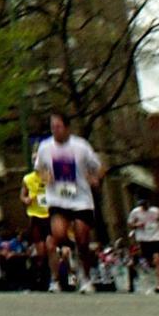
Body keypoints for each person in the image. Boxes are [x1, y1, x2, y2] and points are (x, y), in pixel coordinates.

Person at [35, 111, 105, 294]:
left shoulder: (81, 146)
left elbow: (98, 167)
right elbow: (38, 170)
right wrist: (45, 177)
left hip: (80, 199)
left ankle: (85, 278)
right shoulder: (45, 147)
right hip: (57, 198)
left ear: (67, 128)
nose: (55, 131)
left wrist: (96, 179)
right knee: (57, 234)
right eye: (52, 127)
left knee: (83, 239)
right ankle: (58, 276)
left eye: (58, 127)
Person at [20, 150, 50, 289]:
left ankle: (55, 276)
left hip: (50, 215)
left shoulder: (50, 177)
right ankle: (41, 275)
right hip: (35, 215)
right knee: (40, 248)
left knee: (51, 246)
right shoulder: (28, 178)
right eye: (33, 160)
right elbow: (23, 196)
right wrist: (27, 200)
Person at [127, 197, 159, 291]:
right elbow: (129, 224)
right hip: (144, 239)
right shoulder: (135, 212)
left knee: (157, 260)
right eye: (141, 205)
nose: (143, 207)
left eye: (144, 205)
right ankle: (148, 281)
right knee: (148, 262)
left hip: (156, 238)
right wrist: (137, 225)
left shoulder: (156, 211)